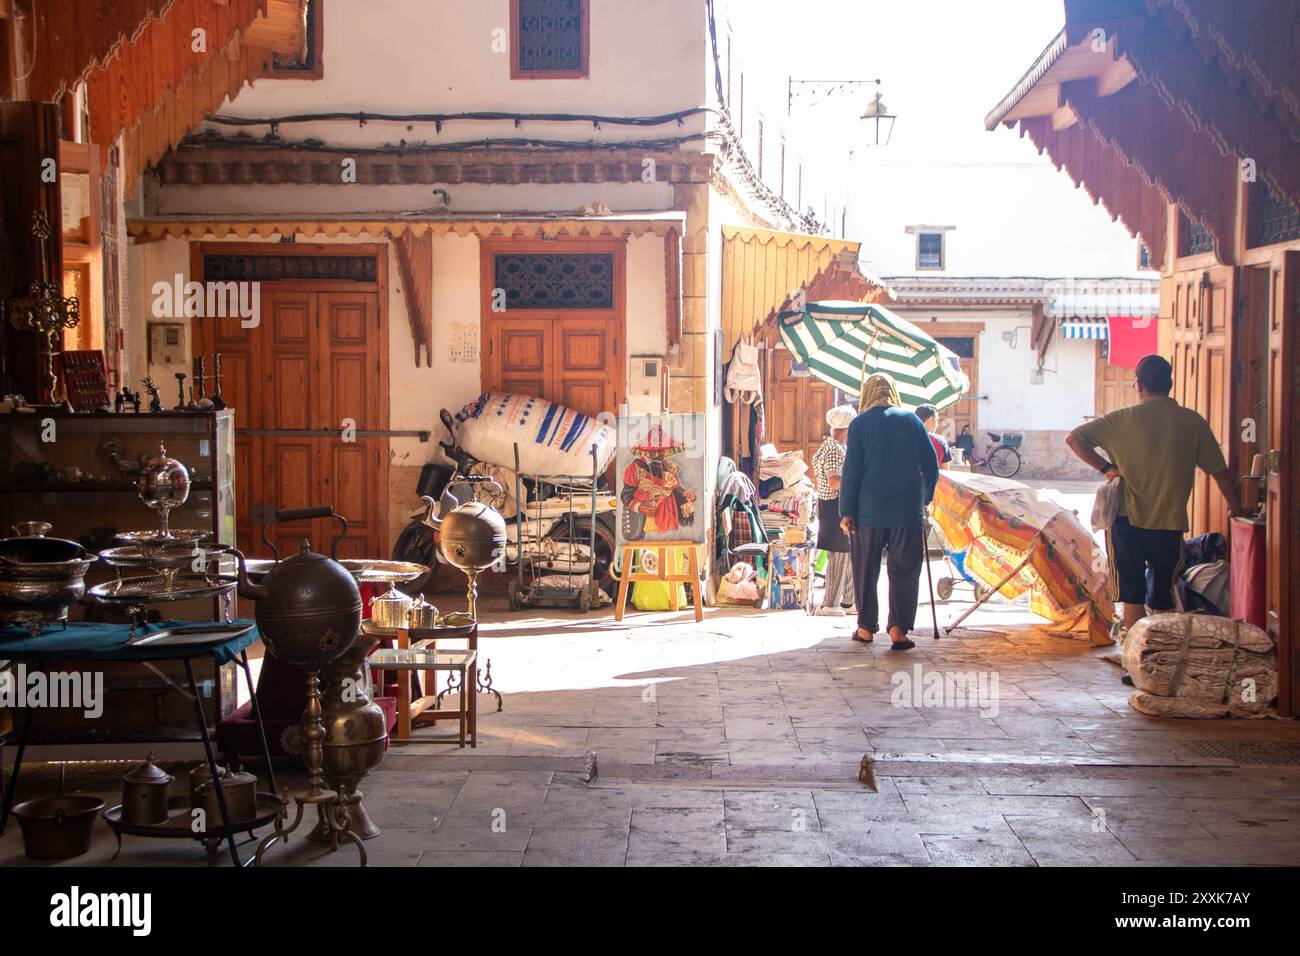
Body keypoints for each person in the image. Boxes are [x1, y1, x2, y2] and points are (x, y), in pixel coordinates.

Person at [1065, 354, 1245, 635]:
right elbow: (1220, 472)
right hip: (1169, 523)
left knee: (1132, 592)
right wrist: (1237, 509)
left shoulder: (1120, 419)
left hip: (1126, 521)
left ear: (1138, 384)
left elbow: (1074, 439)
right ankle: (1159, 653)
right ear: (1170, 384)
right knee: (1162, 596)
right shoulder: (1192, 422)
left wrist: (1107, 468)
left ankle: (1135, 659)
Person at [840, 373, 940, 650]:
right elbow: (931, 466)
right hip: (906, 511)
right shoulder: (913, 421)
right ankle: (898, 630)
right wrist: (925, 497)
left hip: (867, 512)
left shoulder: (859, 424)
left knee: (865, 568)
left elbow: (852, 471)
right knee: (905, 570)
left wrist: (846, 510)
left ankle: (865, 627)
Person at [811, 405, 856, 616]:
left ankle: (849, 601)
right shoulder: (836, 449)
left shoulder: (827, 445)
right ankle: (831, 604)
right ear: (846, 429)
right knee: (839, 556)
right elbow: (834, 481)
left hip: (830, 506)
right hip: (835, 507)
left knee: (847, 555)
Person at [916, 405, 952, 470]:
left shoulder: (905, 439)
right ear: (931, 420)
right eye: (936, 420)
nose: (937, 425)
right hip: (934, 479)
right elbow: (946, 471)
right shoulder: (940, 441)